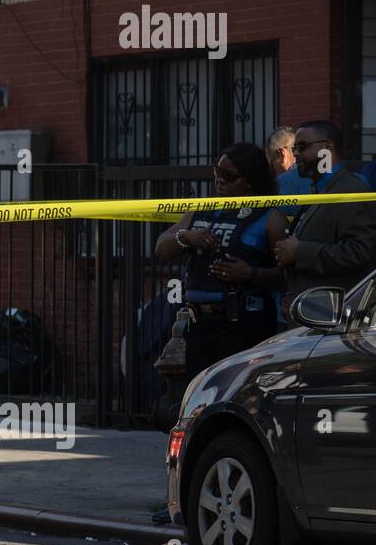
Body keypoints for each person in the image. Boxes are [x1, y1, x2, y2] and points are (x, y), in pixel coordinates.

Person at [154, 143, 288, 381]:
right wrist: (186, 237)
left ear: (250, 181)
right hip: (198, 322)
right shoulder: (202, 211)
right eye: (217, 172)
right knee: (200, 393)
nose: (220, 181)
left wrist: (250, 274)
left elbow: (286, 275)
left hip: (243, 322)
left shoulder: (269, 217)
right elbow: (161, 249)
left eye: (229, 176)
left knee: (232, 392)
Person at [273, 120, 376, 318]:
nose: (295, 154)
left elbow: (359, 252)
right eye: (294, 148)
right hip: (312, 315)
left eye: (302, 147)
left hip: (335, 319)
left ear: (327, 149)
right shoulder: (321, 188)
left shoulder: (351, 190)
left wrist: (299, 251)